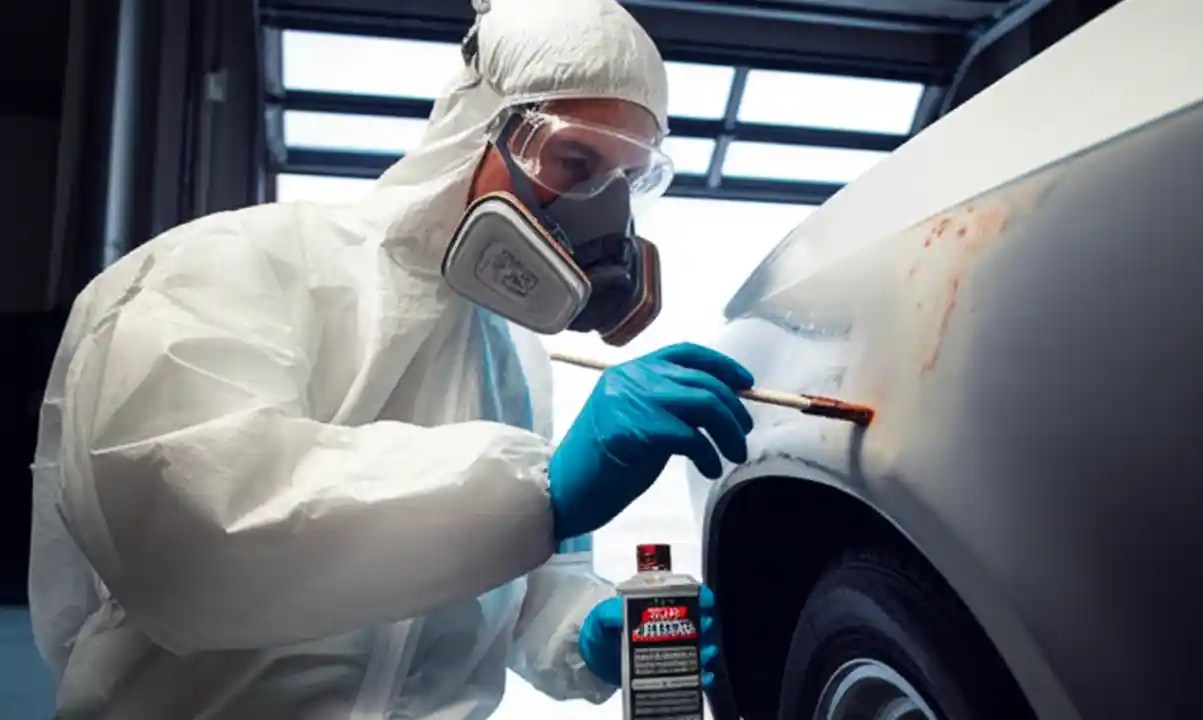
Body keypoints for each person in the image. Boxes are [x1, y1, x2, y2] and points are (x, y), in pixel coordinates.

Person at [26, 0, 754, 716]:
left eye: (630, 180)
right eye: (575, 159)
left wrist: (587, 633)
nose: (602, 212)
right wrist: (544, 493)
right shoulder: (236, 263)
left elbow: (518, 583)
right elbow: (185, 531)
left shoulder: (516, 363)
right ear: (478, 130)